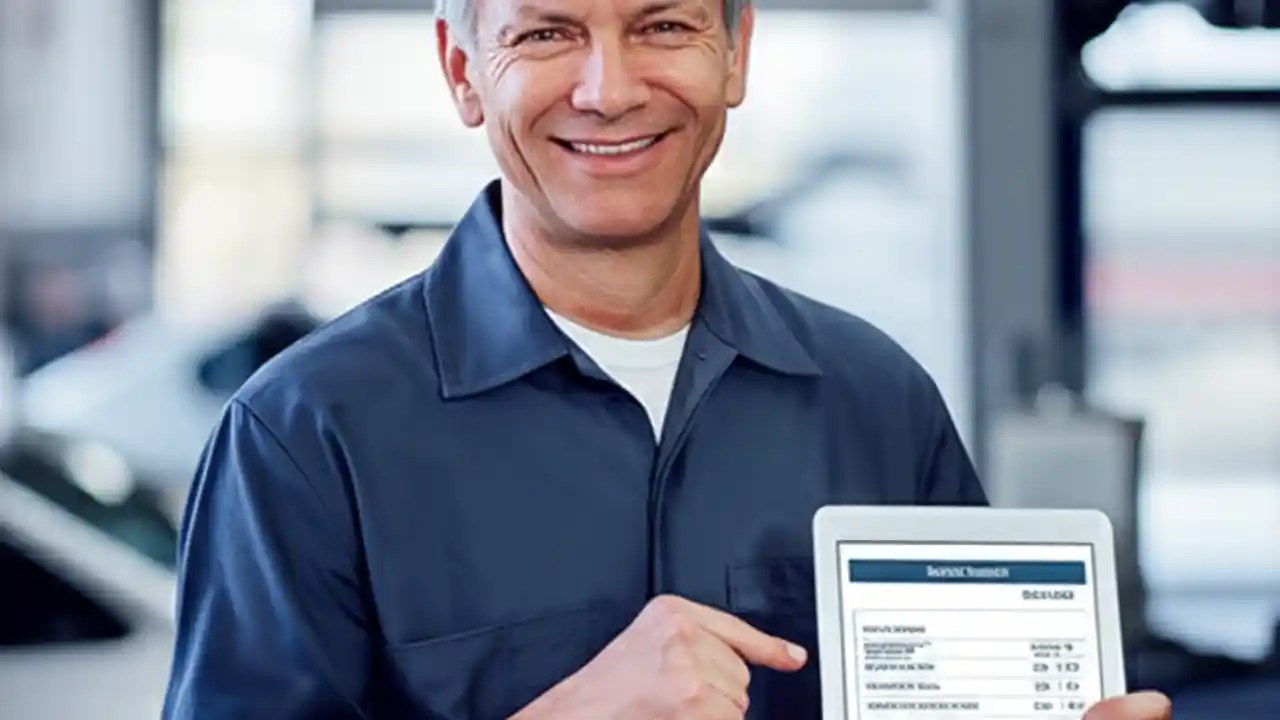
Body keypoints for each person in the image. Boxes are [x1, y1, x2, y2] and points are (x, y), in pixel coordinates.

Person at [163, 0, 1173, 718]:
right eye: (547, 33)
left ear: (734, 52)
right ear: (463, 70)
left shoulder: (876, 400)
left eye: (662, 26)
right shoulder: (302, 437)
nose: (607, 90)